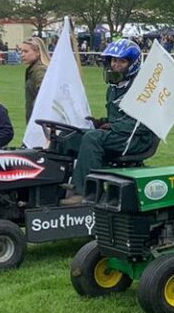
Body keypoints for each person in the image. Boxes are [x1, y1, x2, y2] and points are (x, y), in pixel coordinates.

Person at [59, 39, 162, 204]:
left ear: (132, 63)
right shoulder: (114, 87)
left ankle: (85, 193)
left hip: (138, 138)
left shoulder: (145, 88)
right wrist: (101, 122)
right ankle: (55, 185)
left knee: (93, 138)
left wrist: (113, 126)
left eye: (122, 61)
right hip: (120, 134)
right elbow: (118, 116)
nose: (116, 65)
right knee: (67, 135)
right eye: (114, 60)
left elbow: (145, 122)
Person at [19, 35, 49, 124]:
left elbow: (45, 94)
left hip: (41, 121)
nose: (22, 54)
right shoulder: (34, 69)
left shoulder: (39, 70)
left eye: (26, 51)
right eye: (21, 51)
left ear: (38, 52)